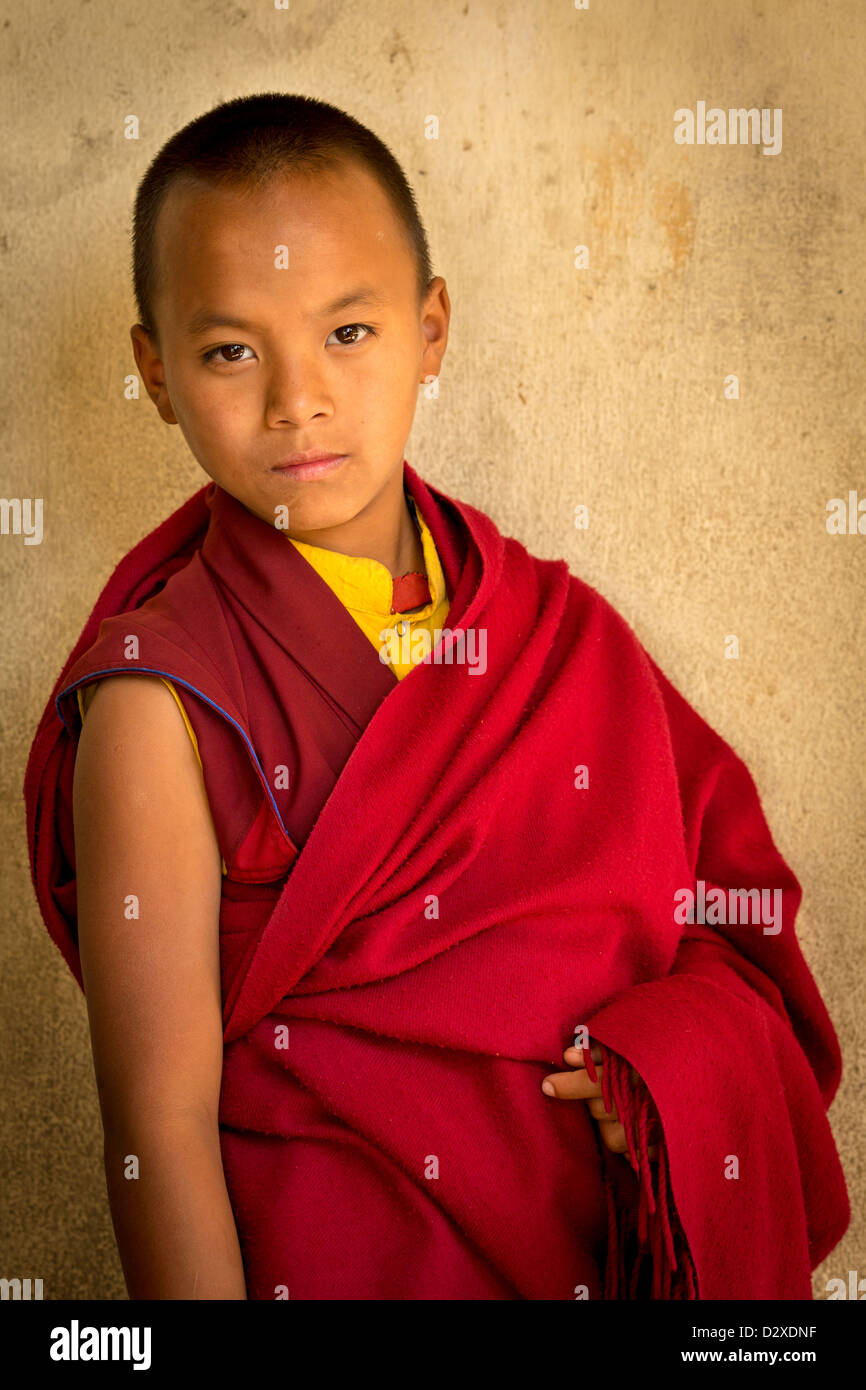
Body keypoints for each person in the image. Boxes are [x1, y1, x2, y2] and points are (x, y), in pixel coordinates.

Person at [24, 92, 849, 1301]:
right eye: (229, 350)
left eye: (347, 332)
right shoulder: (160, 699)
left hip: (589, 1255)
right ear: (154, 370)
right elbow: (158, 1133)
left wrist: (669, 1085)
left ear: (431, 328)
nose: (295, 399)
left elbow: (727, 918)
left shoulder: (548, 629)